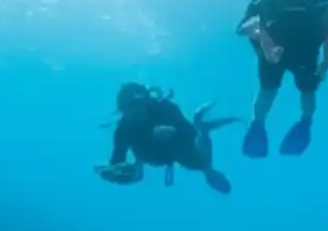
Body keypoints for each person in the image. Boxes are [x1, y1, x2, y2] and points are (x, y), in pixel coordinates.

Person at [237, 0, 328, 158]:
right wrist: (264, 40)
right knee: (268, 89)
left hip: (306, 53)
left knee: (308, 89)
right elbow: (244, 26)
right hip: (272, 52)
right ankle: (257, 125)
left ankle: (305, 123)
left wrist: (326, 63)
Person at [95, 83, 237, 194]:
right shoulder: (123, 129)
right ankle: (202, 129)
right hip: (150, 154)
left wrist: (172, 131)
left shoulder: (165, 109)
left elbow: (189, 132)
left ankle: (202, 126)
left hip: (175, 146)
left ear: (146, 103)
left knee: (202, 163)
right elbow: (117, 161)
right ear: (122, 110)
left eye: (138, 106)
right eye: (129, 109)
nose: (136, 113)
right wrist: (112, 173)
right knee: (129, 171)